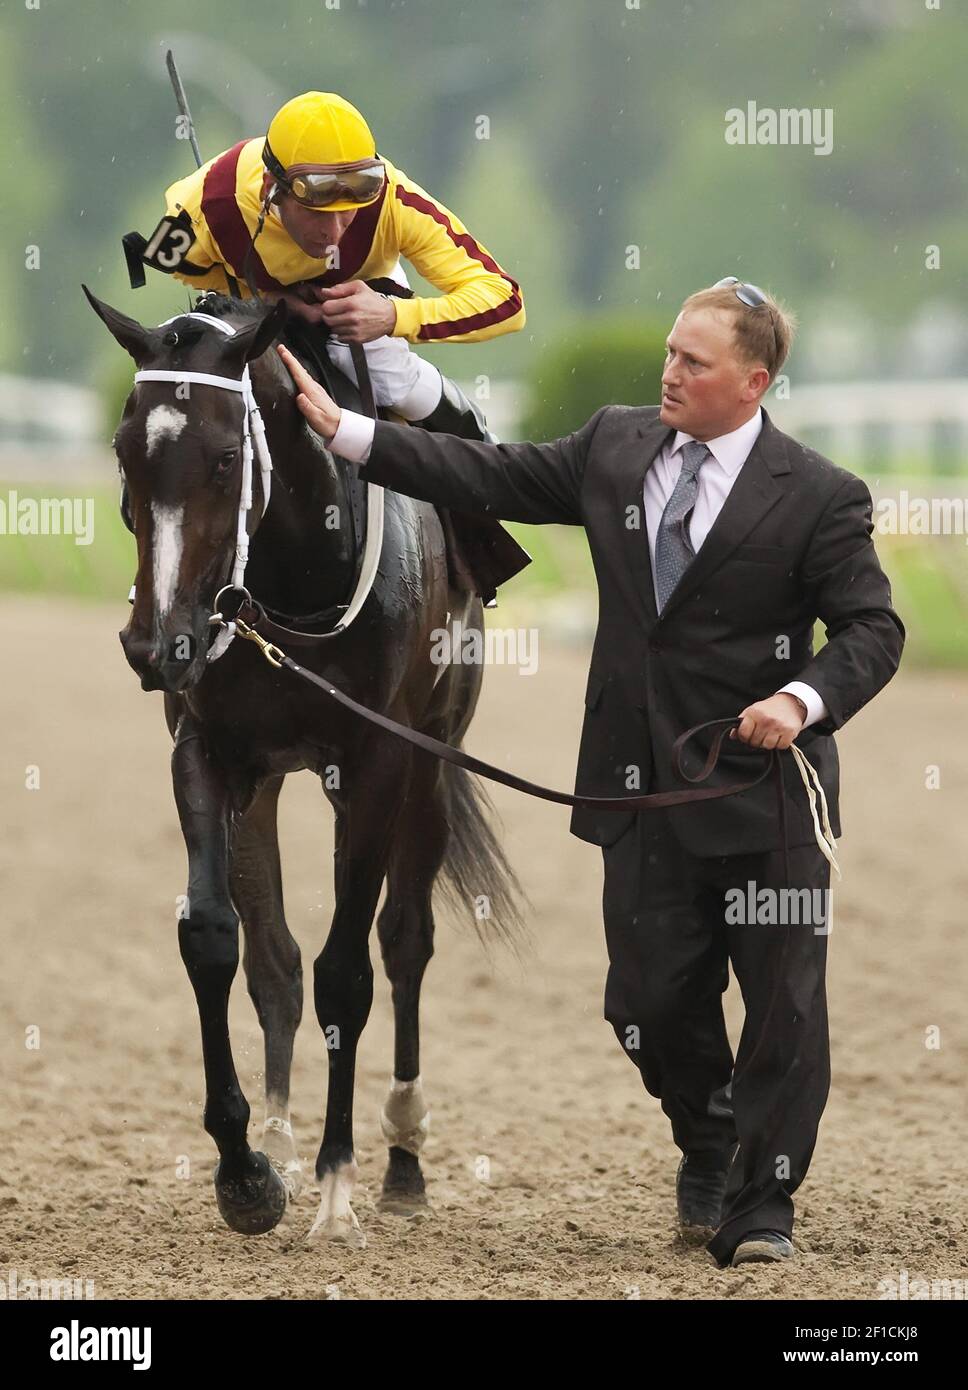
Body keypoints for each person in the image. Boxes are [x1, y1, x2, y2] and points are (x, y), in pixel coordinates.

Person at [276, 277, 905, 1269]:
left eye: (691, 363)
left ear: (751, 381)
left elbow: (873, 629)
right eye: (666, 352)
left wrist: (799, 700)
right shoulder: (614, 447)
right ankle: (706, 1139)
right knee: (646, 1009)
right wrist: (349, 432)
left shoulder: (820, 496)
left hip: (765, 801)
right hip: (637, 794)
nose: (667, 372)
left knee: (782, 1011)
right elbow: (485, 474)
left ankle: (760, 1205)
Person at [126, 90, 530, 600]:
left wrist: (393, 315)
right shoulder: (204, 201)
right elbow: (165, 260)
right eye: (317, 213)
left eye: (350, 212)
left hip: (362, 300)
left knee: (392, 376)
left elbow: (505, 301)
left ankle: (479, 524)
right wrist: (273, 297)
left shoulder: (396, 202)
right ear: (273, 187)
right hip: (253, 311)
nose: (335, 231)